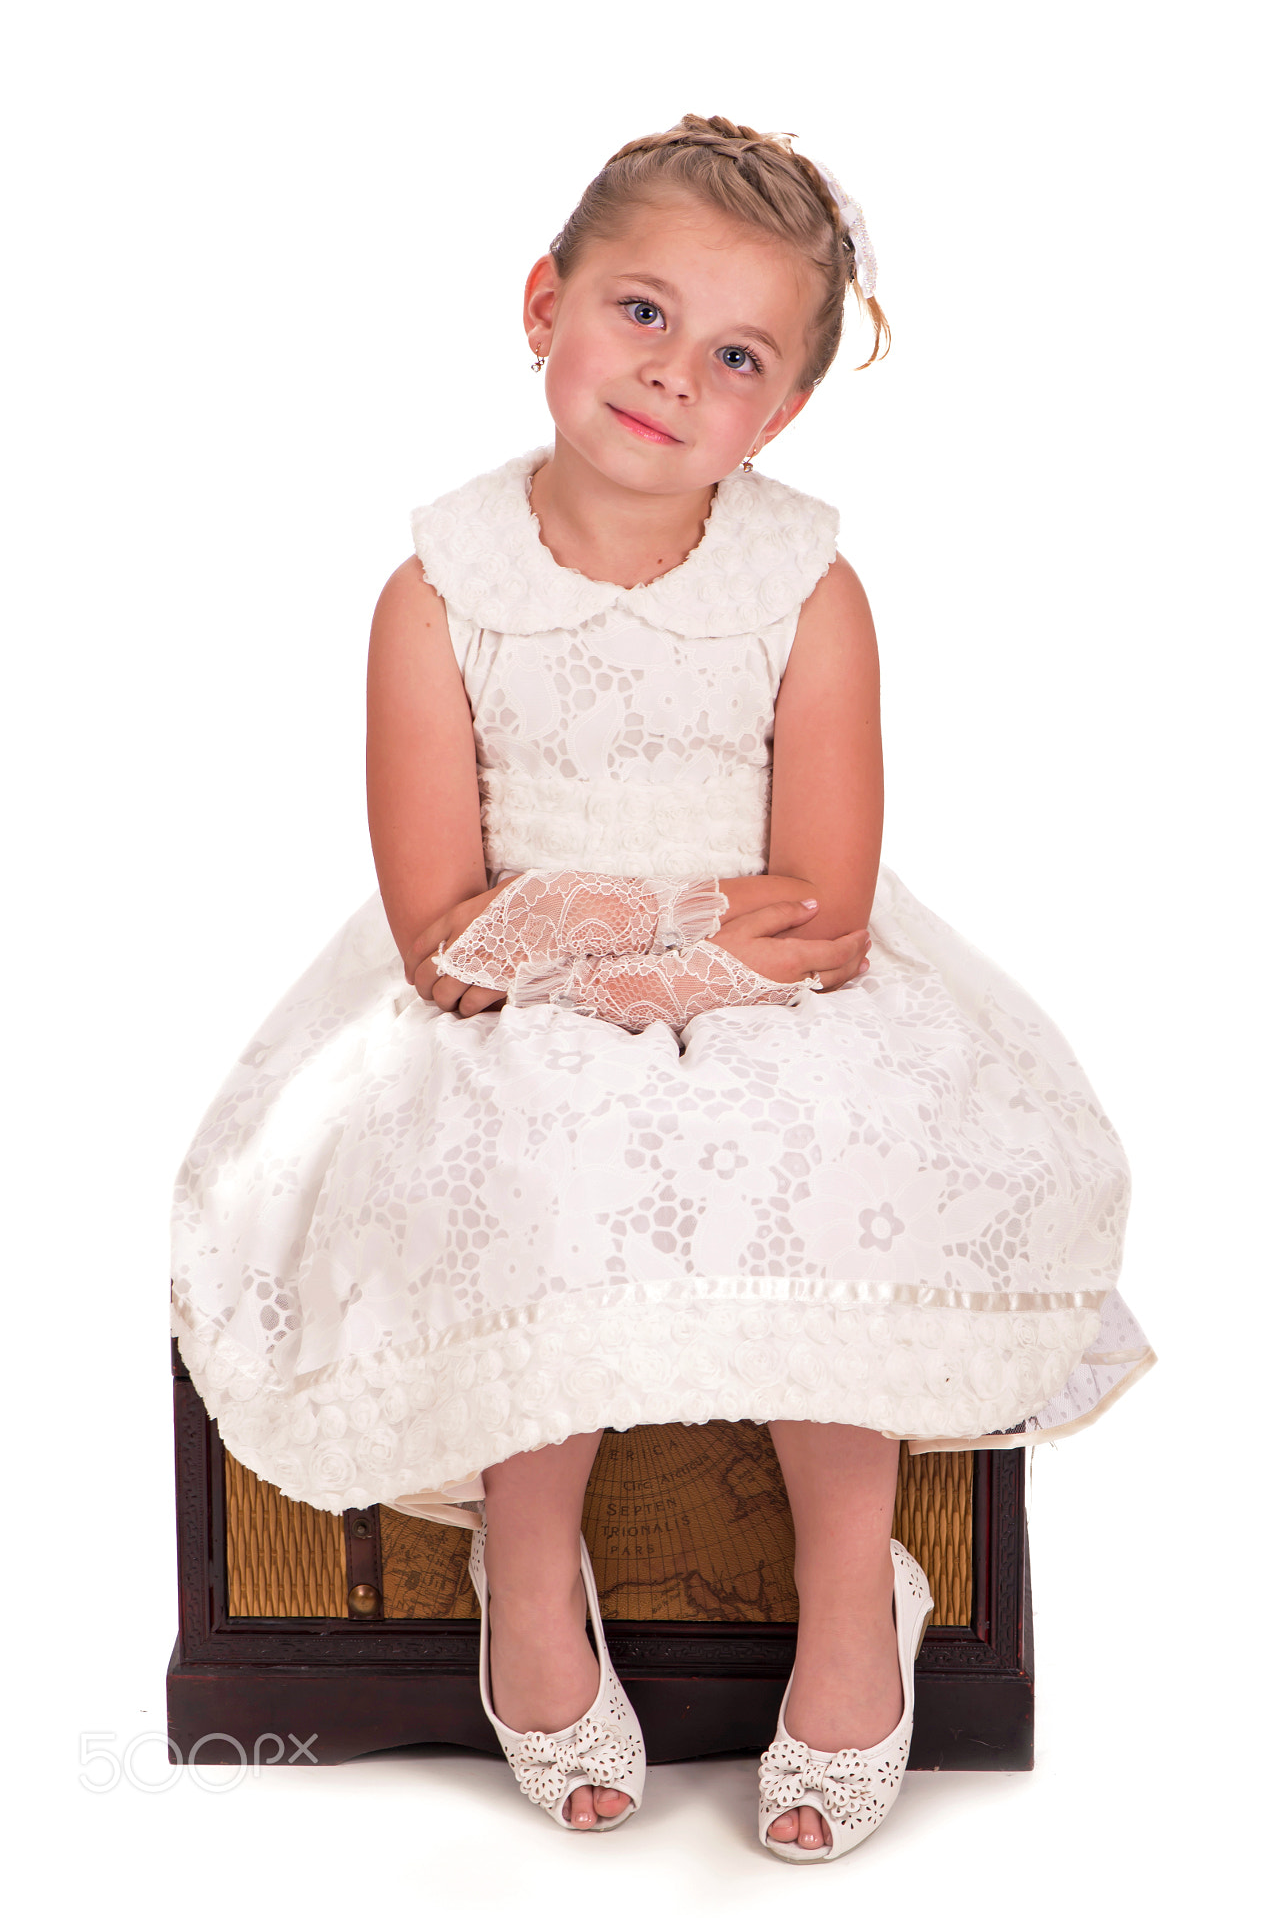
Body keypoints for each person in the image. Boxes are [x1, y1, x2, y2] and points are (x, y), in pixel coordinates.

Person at [172, 113, 1155, 1859]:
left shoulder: (809, 589)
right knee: (526, 1153)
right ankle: (530, 1569)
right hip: (508, 998)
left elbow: (823, 912)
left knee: (839, 1145)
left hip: (776, 992)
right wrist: (648, 943)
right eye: (641, 311)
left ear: (781, 415)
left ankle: (853, 1589)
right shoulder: (435, 594)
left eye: (738, 356)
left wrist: (697, 966)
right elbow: (446, 939)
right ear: (542, 304)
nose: (674, 374)